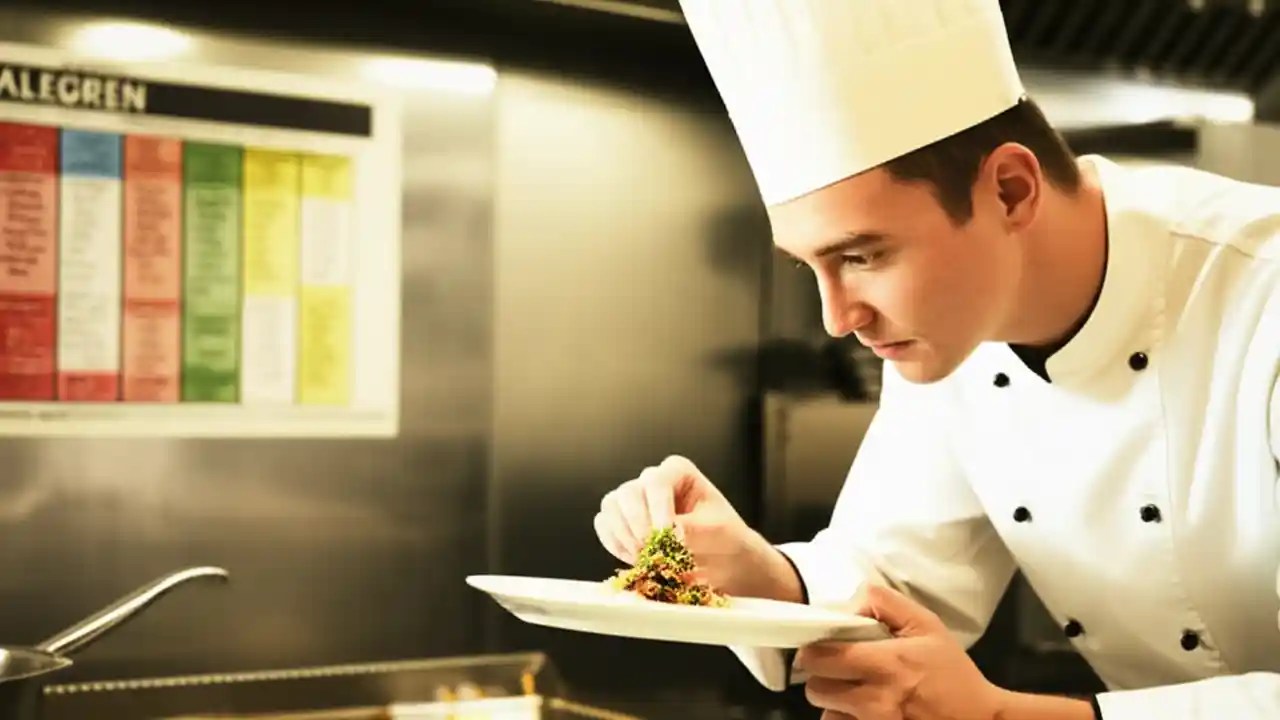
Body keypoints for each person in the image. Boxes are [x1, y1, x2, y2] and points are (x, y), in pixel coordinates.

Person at [591, 1, 1280, 718]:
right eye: (810, 268)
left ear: (1011, 191)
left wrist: (1002, 715)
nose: (839, 318)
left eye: (862, 255)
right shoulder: (955, 336)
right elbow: (894, 584)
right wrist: (752, 572)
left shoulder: (1265, 293)